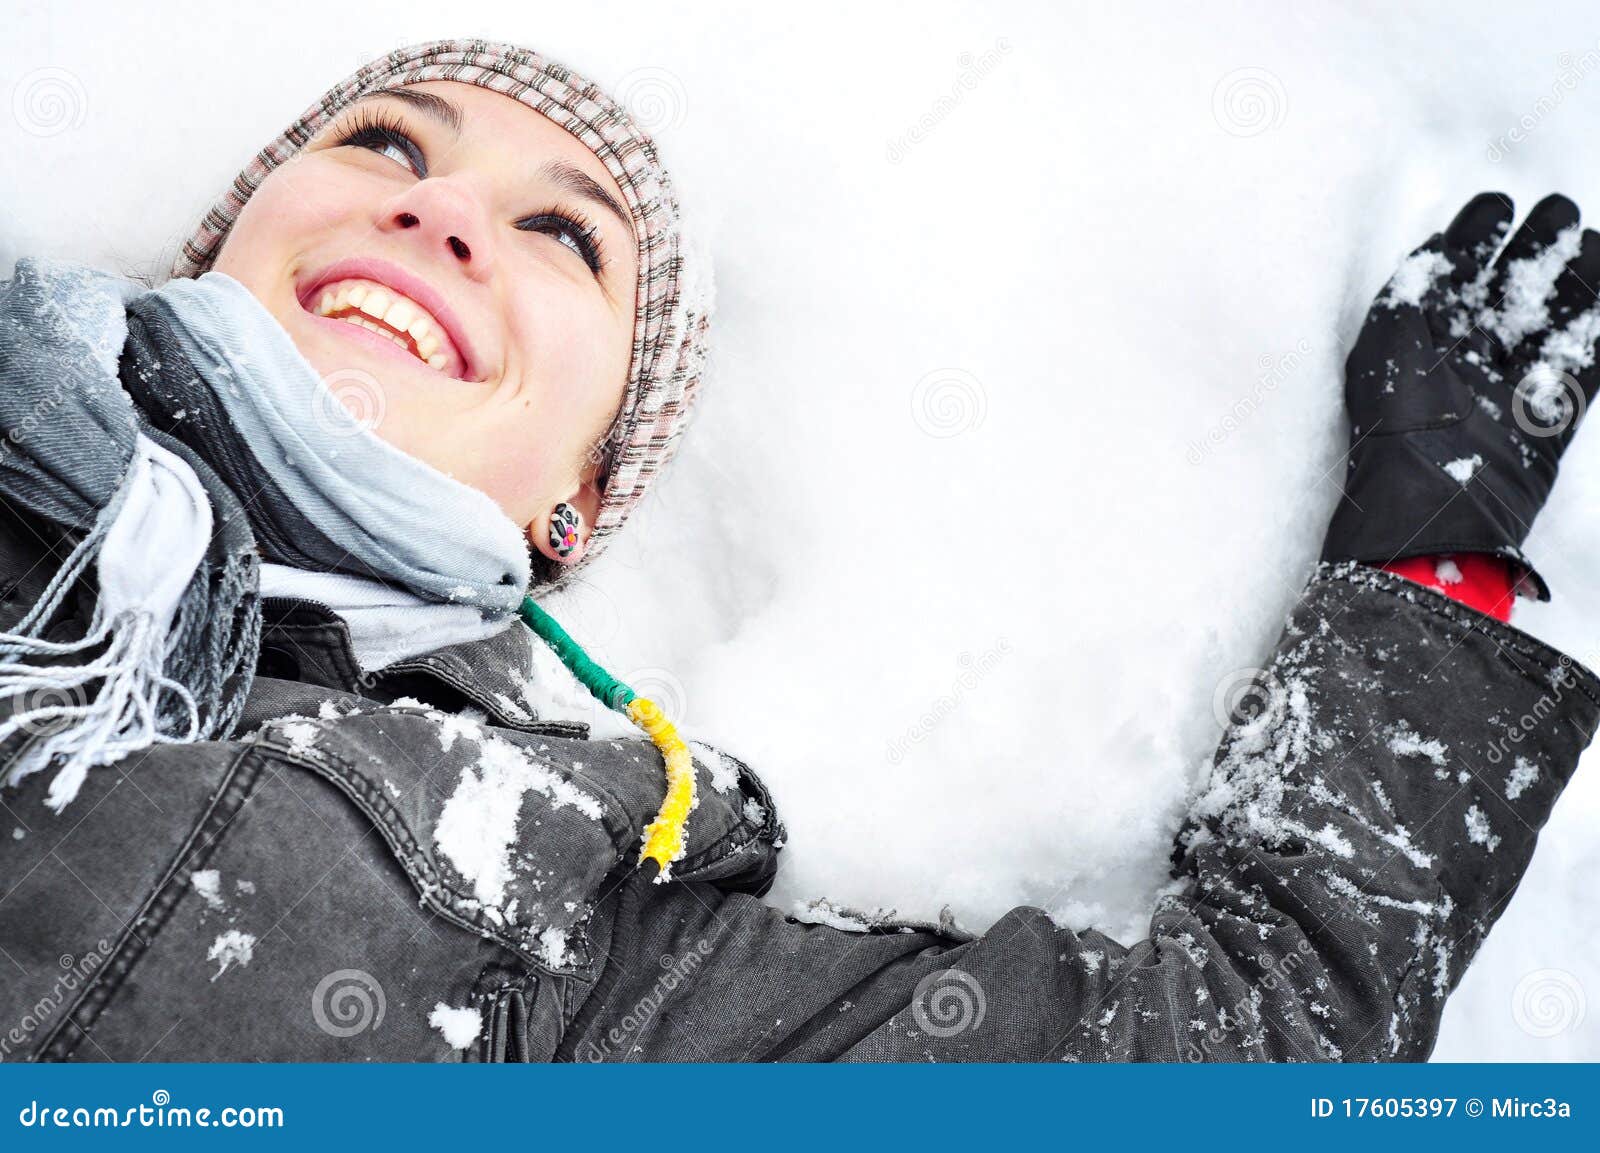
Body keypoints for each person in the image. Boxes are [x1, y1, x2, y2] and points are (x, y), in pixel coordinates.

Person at [0, 39, 1595, 1063]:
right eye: (383, 148)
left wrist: (1420, 578)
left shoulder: (584, 939)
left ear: (577, 499)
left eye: (564, 234)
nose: (440, 214)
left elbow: (1230, 1065)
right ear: (228, 239)